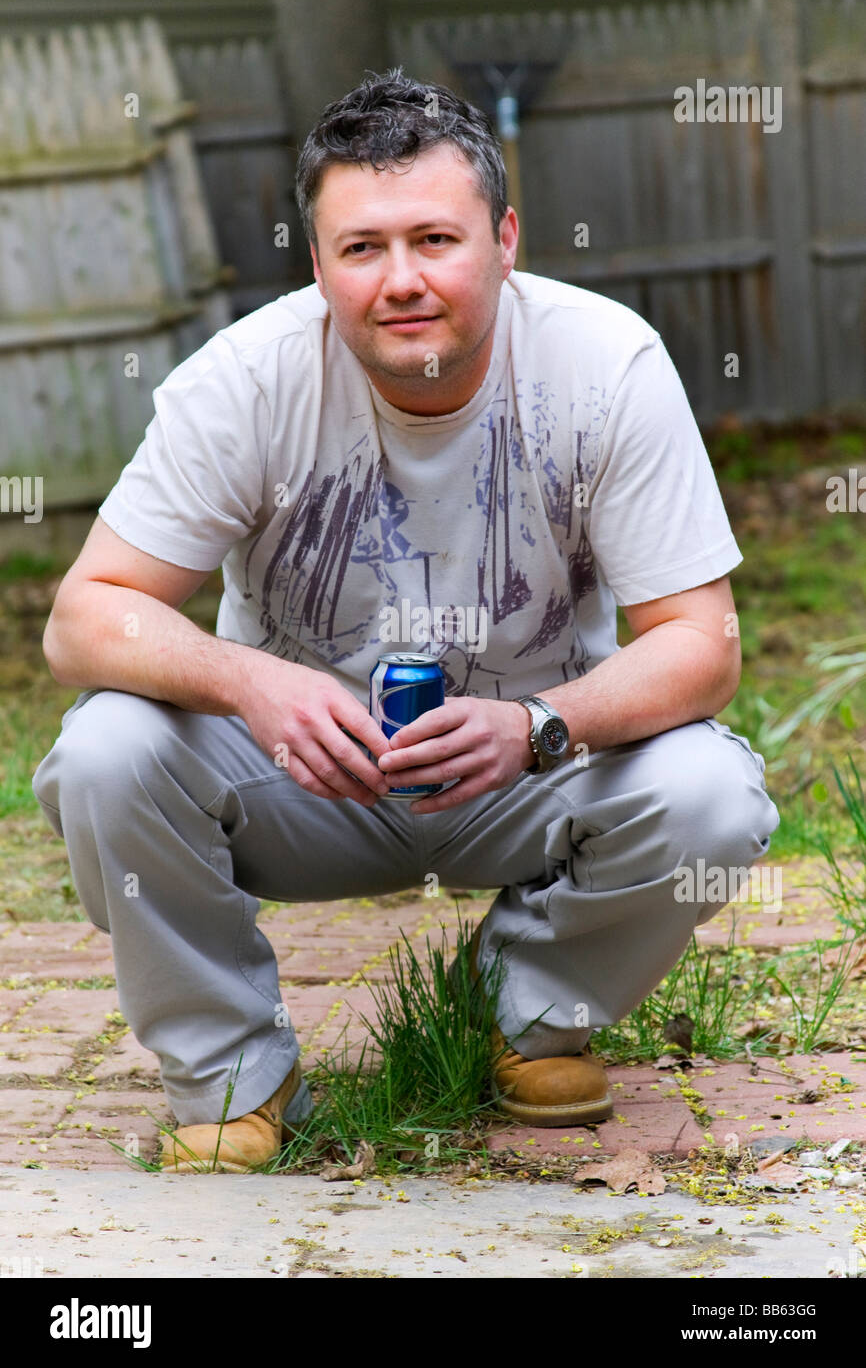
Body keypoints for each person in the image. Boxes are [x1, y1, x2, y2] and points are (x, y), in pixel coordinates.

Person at [32, 67, 780, 1172]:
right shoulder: (239, 382)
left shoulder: (605, 364)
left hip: (523, 770)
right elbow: (81, 618)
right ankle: (235, 1070)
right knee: (104, 753)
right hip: (302, 775)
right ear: (318, 263)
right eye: (361, 248)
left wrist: (535, 724)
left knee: (710, 794)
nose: (400, 281)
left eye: (434, 239)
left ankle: (518, 1015)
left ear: (504, 239)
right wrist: (252, 683)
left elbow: (700, 644)